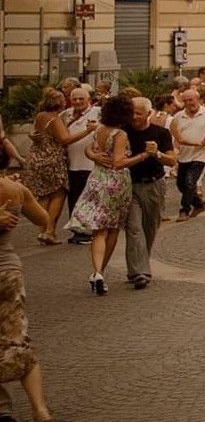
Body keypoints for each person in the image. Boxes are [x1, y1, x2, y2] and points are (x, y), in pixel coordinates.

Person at [0, 174, 56, 422]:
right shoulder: (14, 189)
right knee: (18, 341)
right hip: (9, 272)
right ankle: (40, 410)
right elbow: (44, 219)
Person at [69, 93, 138, 295]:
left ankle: (97, 271)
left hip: (96, 178)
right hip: (116, 182)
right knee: (113, 228)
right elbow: (118, 162)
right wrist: (141, 156)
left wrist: (94, 156)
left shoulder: (99, 129)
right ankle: (100, 272)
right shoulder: (120, 134)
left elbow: (90, 149)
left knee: (99, 230)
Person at [120, 97, 175, 290]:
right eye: (131, 113)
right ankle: (140, 272)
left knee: (150, 228)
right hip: (130, 185)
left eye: (138, 113)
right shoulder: (123, 132)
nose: (134, 117)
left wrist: (157, 154)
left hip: (154, 184)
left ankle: (139, 264)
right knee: (134, 228)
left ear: (148, 114)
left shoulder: (161, 133)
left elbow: (172, 160)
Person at [22, 89, 70, 245]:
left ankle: (41, 231)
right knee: (58, 192)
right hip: (52, 159)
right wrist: (87, 131)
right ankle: (49, 231)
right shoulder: (54, 119)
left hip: (36, 158)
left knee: (43, 195)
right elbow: (65, 139)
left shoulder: (40, 116)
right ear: (59, 103)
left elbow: (36, 134)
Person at [54, 86, 101, 245]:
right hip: (71, 164)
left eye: (82, 99)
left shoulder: (98, 112)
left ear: (89, 99)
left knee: (88, 200)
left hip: (90, 164)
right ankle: (77, 230)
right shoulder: (65, 115)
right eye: (75, 99)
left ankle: (87, 232)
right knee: (74, 200)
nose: (78, 102)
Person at [169, 86, 205, 222]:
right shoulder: (178, 117)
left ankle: (184, 210)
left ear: (198, 99)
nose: (188, 103)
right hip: (184, 155)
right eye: (185, 100)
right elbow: (177, 137)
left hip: (201, 155)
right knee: (181, 184)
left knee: (190, 182)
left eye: (191, 100)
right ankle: (198, 204)